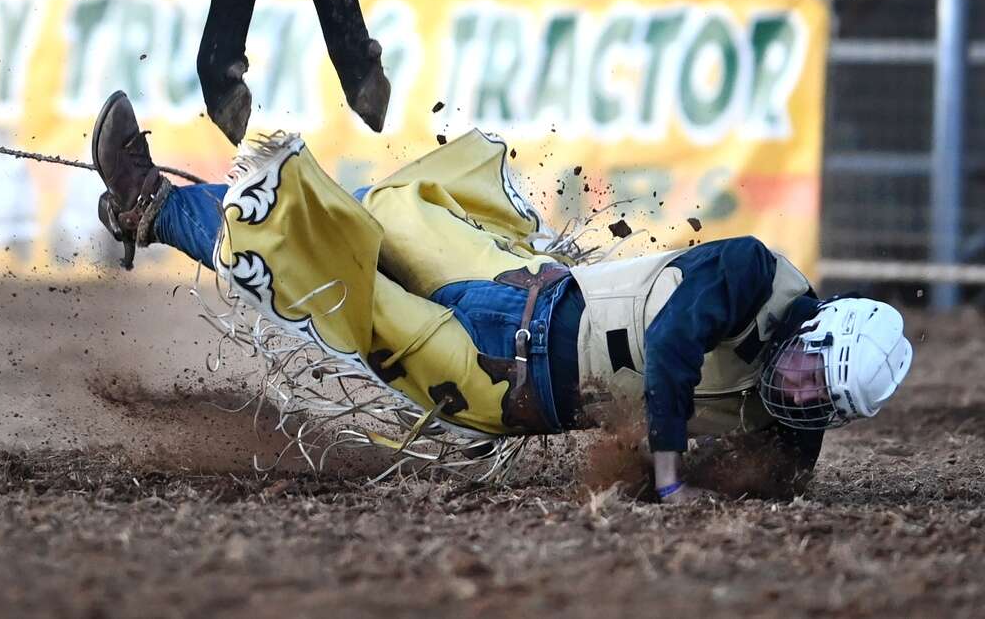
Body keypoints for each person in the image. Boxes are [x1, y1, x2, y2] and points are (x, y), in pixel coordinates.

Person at [90, 91, 913, 501]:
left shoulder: (796, 421)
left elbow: (779, 477)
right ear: (817, 328)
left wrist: (729, 479)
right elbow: (670, 346)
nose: (799, 395)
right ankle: (173, 208)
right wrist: (668, 473)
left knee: (330, 275)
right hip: (516, 284)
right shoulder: (754, 276)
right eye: (812, 372)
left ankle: (151, 206)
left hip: (491, 378)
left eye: (822, 405)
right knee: (394, 209)